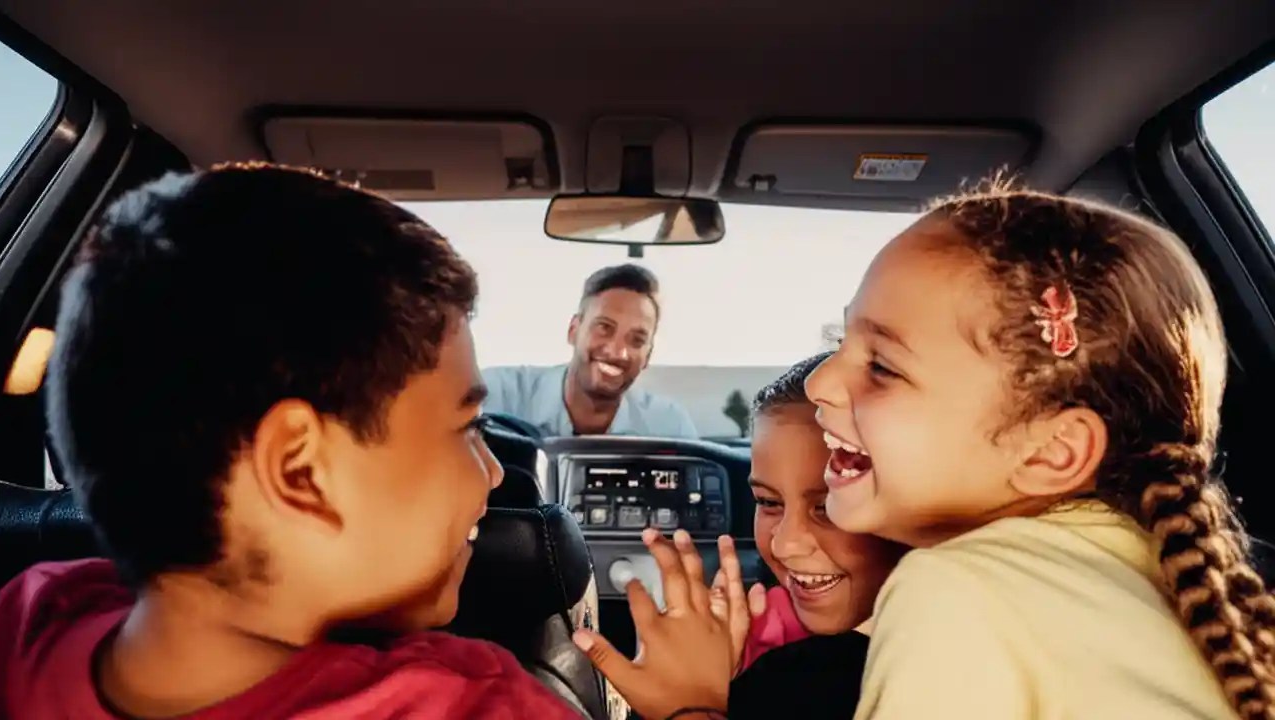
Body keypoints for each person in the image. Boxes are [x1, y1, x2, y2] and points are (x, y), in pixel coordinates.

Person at [575, 185, 1275, 720]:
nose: (821, 381)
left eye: (881, 365)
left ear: (1054, 452)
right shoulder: (1167, 572)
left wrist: (695, 707)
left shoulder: (956, 592)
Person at [0, 164, 582, 719]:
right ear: (300, 470)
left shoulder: (35, 612)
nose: (496, 473)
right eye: (467, 428)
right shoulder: (477, 705)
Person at [723, 352, 908, 718]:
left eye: (826, 507)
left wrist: (687, 705)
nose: (784, 544)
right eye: (767, 502)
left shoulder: (788, 687)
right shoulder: (757, 642)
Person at [481, 264, 697, 438]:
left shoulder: (669, 426)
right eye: (604, 328)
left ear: (648, 355)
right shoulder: (497, 396)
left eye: (636, 340)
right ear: (573, 330)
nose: (617, 352)